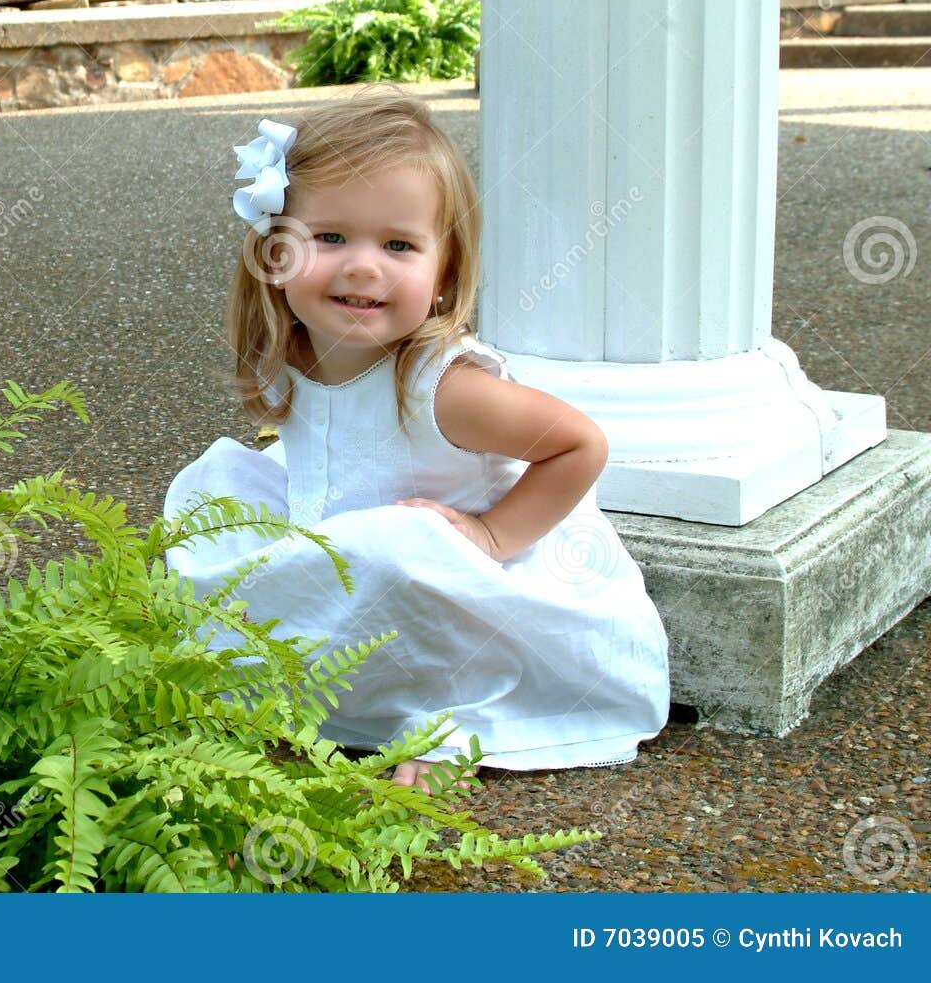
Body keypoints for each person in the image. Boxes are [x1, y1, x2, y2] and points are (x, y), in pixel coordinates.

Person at [162, 89, 671, 797]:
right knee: (211, 491)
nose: (362, 266)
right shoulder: (297, 351)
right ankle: (268, 670)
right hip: (350, 556)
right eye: (330, 237)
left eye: (398, 245)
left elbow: (579, 444)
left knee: (393, 546)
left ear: (444, 274)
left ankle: (452, 723)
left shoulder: (443, 387)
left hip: (453, 592)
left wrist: (491, 534)